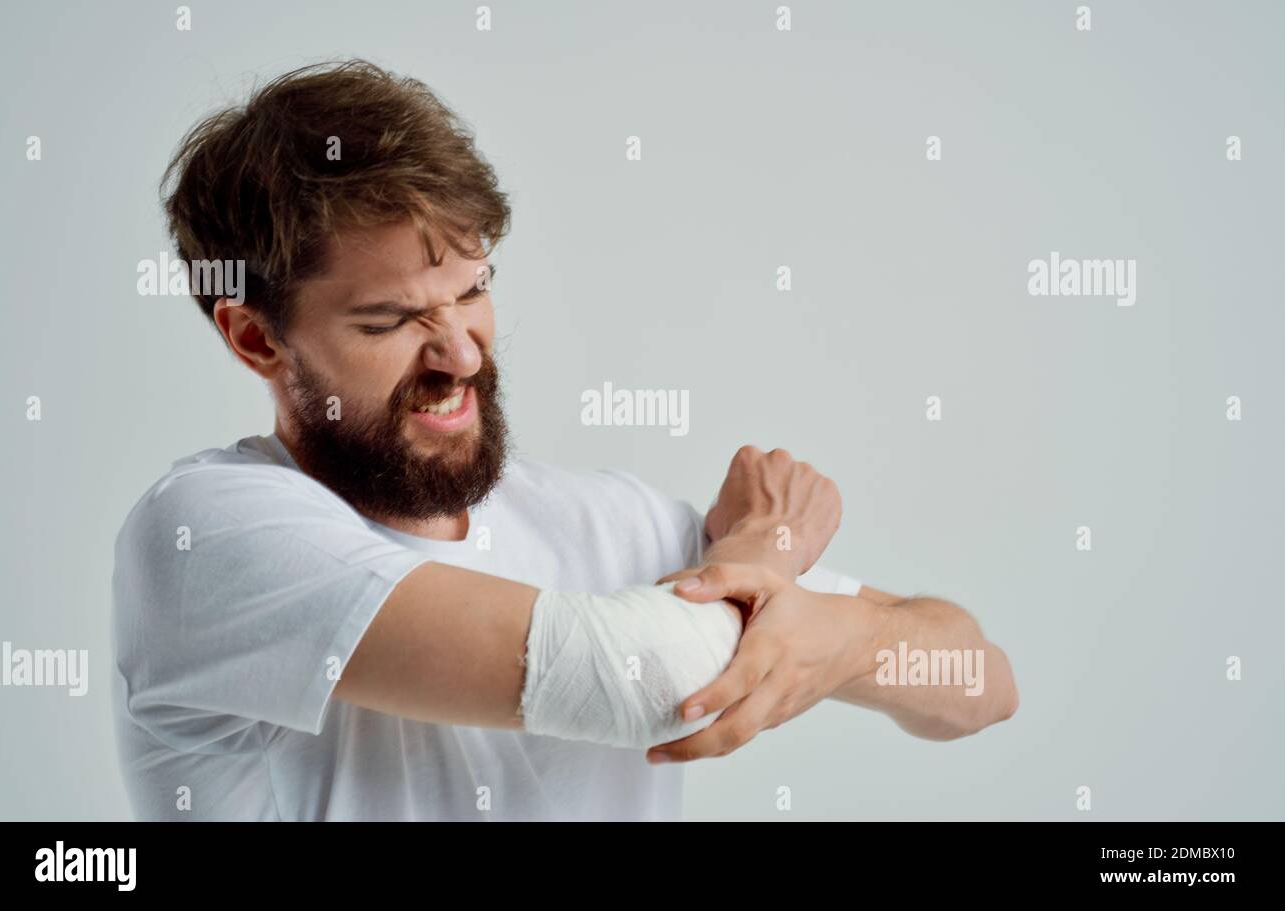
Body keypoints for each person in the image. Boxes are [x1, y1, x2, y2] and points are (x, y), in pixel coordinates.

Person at [111, 59, 1017, 821]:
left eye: (472, 290)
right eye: (390, 320)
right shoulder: (205, 535)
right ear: (256, 337)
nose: (461, 351)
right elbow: (644, 671)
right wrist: (768, 550)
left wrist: (840, 633)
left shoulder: (605, 520)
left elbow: (976, 681)